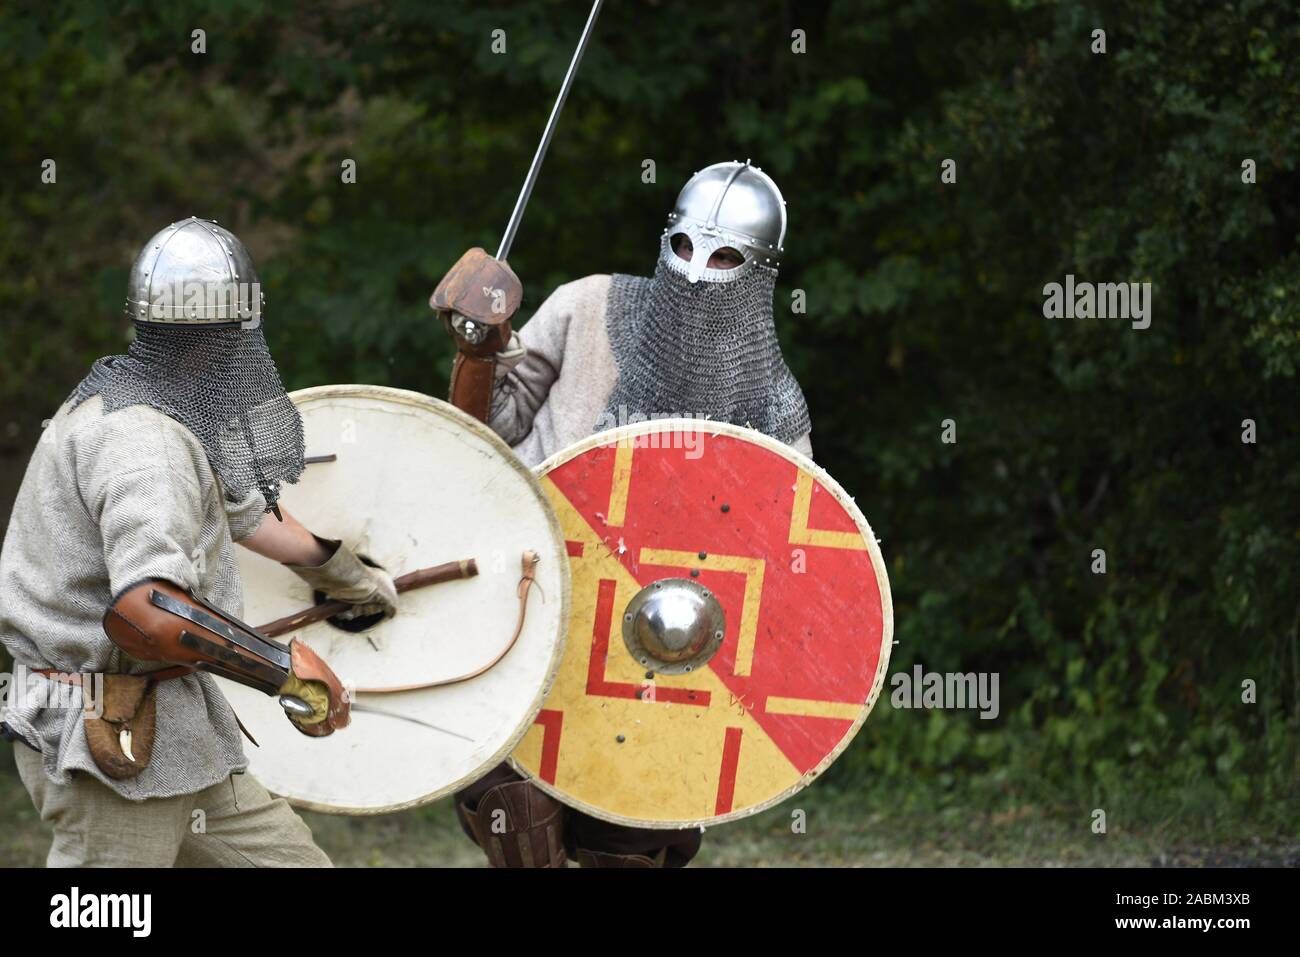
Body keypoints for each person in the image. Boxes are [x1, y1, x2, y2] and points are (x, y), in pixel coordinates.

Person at [431, 161, 812, 867]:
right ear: (666, 237)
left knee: (635, 831)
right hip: (539, 594)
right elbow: (489, 433)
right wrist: (478, 352)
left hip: (660, 636)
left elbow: (788, 549)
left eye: (727, 255)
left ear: (761, 271)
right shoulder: (588, 305)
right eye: (688, 246)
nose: (699, 271)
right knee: (516, 804)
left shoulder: (771, 400)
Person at [0, 218, 397, 867]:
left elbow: (246, 515)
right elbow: (148, 610)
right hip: (107, 731)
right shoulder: (143, 443)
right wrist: (285, 671)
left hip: (182, 728)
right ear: (223, 338)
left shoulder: (159, 407)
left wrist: (349, 574)